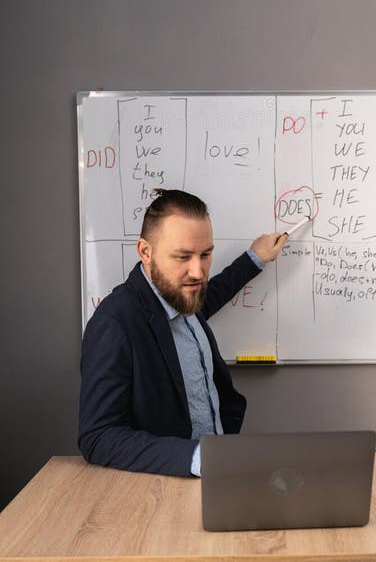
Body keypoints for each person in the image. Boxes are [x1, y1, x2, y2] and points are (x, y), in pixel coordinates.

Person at [78, 188, 288, 477]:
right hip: (168, 484)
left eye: (205, 254)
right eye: (183, 256)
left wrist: (256, 258)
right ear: (145, 252)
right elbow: (98, 436)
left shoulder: (184, 297)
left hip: (218, 474)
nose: (198, 272)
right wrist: (199, 458)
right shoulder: (115, 322)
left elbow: (217, 290)